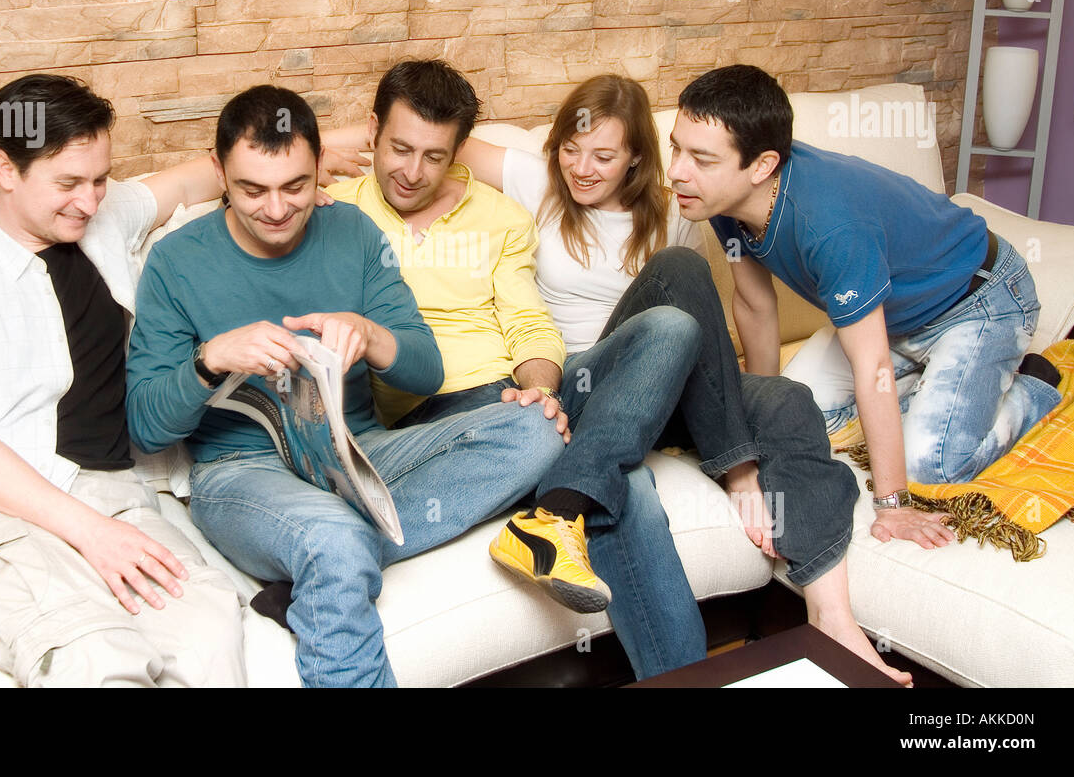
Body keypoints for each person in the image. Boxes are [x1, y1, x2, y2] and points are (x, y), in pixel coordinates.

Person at [355, 71, 906, 684]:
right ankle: (680, 649)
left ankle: (831, 613)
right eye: (571, 149)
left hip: (645, 382)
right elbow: (417, 141)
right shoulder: (531, 181)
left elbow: (745, 307)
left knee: (779, 395)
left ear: (637, 158)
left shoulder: (680, 211)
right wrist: (295, 160)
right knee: (632, 476)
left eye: (604, 156)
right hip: (583, 383)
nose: (582, 168)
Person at [125, 84, 565, 688]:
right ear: (220, 172)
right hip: (240, 471)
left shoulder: (353, 231)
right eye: (253, 189)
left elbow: (426, 372)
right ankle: (330, 553)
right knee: (332, 535)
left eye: (296, 187)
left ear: (317, 171)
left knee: (535, 427)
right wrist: (210, 359)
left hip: (358, 453)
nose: (277, 209)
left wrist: (370, 335)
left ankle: (322, 568)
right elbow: (147, 428)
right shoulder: (176, 261)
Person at [326, 60, 705, 679]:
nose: (412, 172)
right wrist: (304, 164)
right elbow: (254, 199)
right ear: (372, 133)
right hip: (428, 415)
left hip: (512, 394)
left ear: (455, 154)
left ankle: (556, 507)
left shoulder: (501, 215)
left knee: (671, 327)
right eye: (398, 149)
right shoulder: (336, 211)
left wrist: (540, 391)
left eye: (433, 156)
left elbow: (528, 322)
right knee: (625, 486)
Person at [0, 73, 246, 687]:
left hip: (123, 498)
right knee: (95, 660)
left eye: (100, 180)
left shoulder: (100, 221)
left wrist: (298, 182)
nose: (88, 200)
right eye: (67, 184)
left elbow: (202, 174)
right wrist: (92, 535)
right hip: (8, 510)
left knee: (211, 640)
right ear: (6, 169)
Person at [669, 64, 1062, 506]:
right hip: (892, 320)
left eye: (701, 160)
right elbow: (756, 304)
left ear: (762, 166)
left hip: (978, 302)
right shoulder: (720, 200)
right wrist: (757, 421)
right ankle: (930, 386)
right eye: (676, 150)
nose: (677, 173)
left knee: (928, 468)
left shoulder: (832, 227)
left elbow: (872, 366)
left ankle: (1034, 385)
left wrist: (892, 502)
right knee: (793, 420)